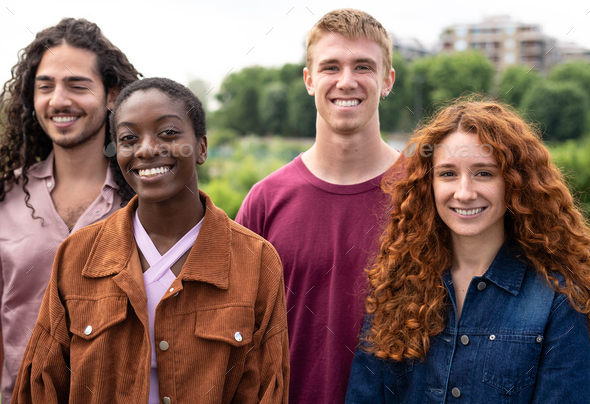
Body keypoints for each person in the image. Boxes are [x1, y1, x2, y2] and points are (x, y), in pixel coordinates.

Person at [11, 77, 289, 403]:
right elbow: (41, 387)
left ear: (201, 147)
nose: (145, 149)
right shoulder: (78, 255)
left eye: (168, 133)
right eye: (128, 138)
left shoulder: (255, 260)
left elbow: (266, 389)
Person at [345, 98, 590, 403]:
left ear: (514, 184)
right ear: (428, 185)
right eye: (447, 173)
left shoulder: (558, 299)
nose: (464, 192)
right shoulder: (396, 286)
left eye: (484, 173)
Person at [236, 8, 401, 404]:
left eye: (363, 66)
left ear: (387, 81)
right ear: (309, 80)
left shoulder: (426, 193)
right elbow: (233, 330)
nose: (347, 81)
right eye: (331, 67)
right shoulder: (265, 201)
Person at [0, 18, 140, 403]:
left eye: (77, 85)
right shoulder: (4, 197)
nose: (59, 100)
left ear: (112, 94)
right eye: (45, 86)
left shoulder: (145, 203)